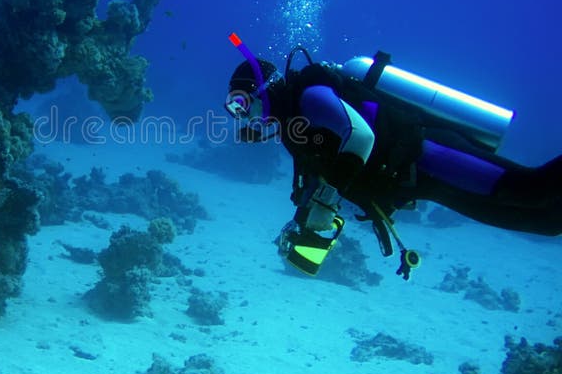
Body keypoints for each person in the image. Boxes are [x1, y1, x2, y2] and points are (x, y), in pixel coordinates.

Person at [224, 35, 562, 280]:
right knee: (545, 223)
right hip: (420, 184)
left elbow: (360, 136)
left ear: (262, 90)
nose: (243, 118)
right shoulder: (293, 129)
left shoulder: (310, 97)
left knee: (533, 189)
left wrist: (327, 201)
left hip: (430, 154)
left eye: (241, 105)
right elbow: (321, 174)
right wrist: (303, 218)